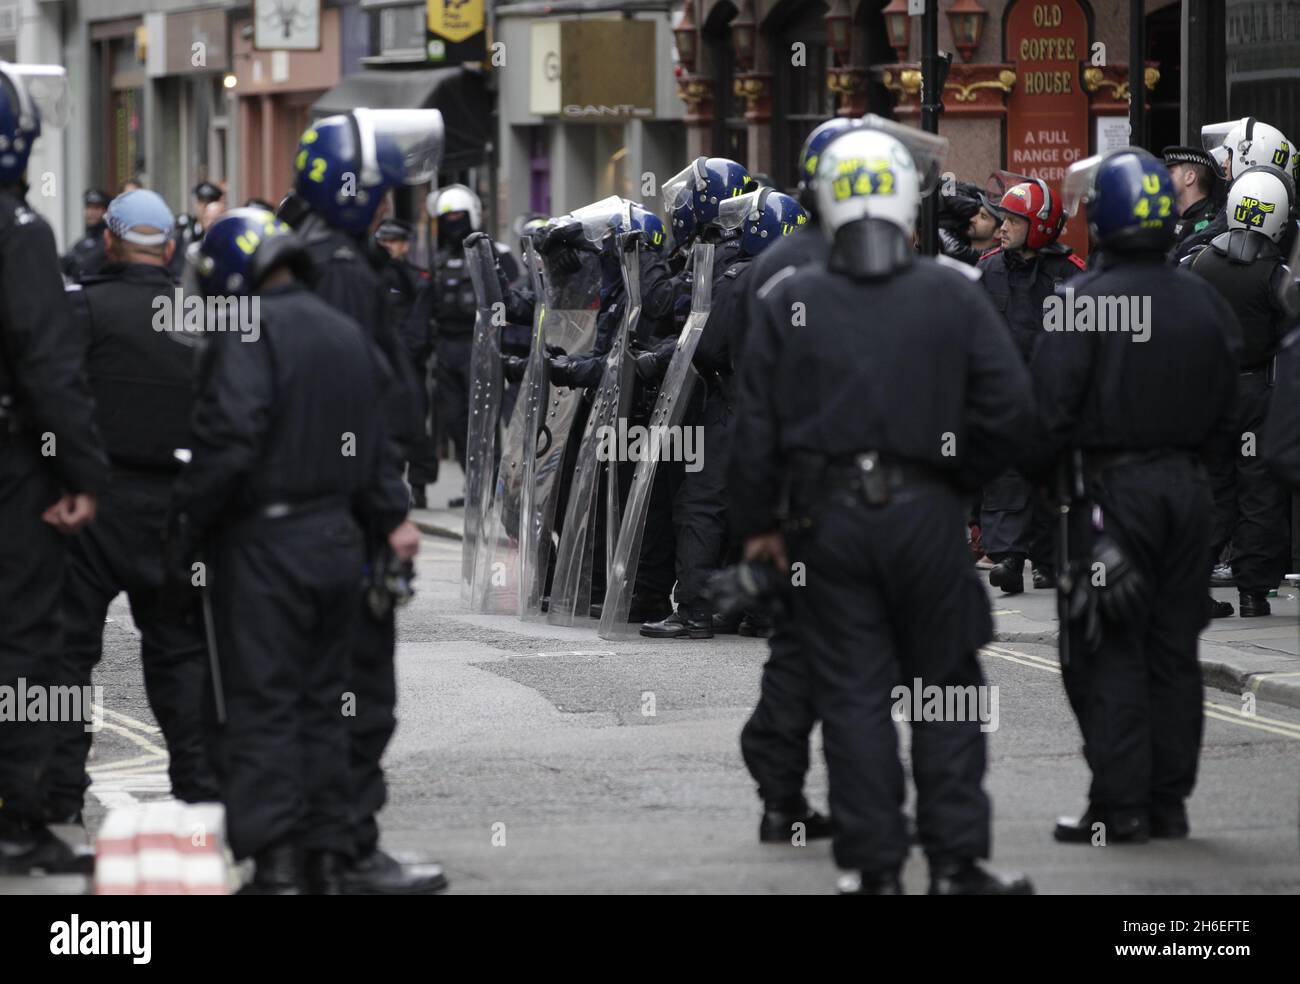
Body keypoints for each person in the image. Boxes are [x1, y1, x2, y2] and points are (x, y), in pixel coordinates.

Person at [731, 121, 1035, 895]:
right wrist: (951, 484)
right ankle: (958, 864)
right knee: (947, 688)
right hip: (928, 521)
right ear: (907, 202)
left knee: (853, 695)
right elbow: (1010, 415)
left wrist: (762, 527)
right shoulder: (953, 292)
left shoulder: (787, 296)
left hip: (828, 526)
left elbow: (754, 431)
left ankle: (876, 873)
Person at [169, 209, 409, 893]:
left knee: (264, 704)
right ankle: (328, 855)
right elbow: (378, 440)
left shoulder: (249, 328)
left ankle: (276, 862)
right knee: (326, 703)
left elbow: (232, 437)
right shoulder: (344, 332)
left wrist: (189, 524)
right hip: (337, 540)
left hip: (265, 545)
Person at [1034, 149, 1240, 844]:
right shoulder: (1203, 298)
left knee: (1105, 648)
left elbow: (1048, 422)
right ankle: (1167, 804)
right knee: (1172, 649)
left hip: (1109, 494)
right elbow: (1229, 412)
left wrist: (1059, 502)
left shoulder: (1078, 302)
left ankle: (1119, 806)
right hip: (1189, 493)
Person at [280, 109, 446, 893]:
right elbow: (363, 402)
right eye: (381, 192)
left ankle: (319, 848)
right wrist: (391, 511)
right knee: (358, 693)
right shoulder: (344, 271)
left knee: (320, 690)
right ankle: (347, 850)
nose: (390, 207)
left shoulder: (305, 252)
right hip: (347, 514)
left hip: (316, 509)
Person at [43, 190, 220, 824]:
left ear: (111, 242)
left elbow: (52, 396)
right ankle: (198, 793)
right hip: (177, 511)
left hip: (87, 506)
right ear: (169, 248)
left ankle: (59, 796)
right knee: (179, 652)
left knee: (65, 658)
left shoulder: (80, 308)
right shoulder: (203, 316)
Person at [0, 62, 108, 874]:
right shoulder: (18, 231)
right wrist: (81, 476)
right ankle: (17, 819)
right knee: (25, 643)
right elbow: (49, 367)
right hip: (12, 471)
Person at [641, 189, 808, 640]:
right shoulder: (811, 278)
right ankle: (761, 609)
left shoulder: (744, 276)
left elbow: (709, 344)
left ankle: (695, 609)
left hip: (738, 400)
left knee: (702, 502)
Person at [1187, 165, 1295, 617]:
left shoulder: (1195, 262)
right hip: (1257, 393)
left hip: (1209, 393)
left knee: (1213, 489)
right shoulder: (1278, 275)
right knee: (1259, 494)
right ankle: (1253, 592)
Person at [977, 176, 1086, 594]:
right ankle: (1008, 558)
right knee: (1003, 477)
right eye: (1001, 219)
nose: (1001, 227)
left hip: (1052, 399)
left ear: (1039, 227)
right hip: (1003, 399)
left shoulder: (1071, 275)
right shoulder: (986, 270)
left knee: (1051, 481)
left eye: (1012, 221)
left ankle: (1047, 560)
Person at [1163, 145, 1220, 252]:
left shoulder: (1211, 226)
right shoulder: (1171, 217)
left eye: (1170, 172)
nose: (1163, 178)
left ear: (1189, 177)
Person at [169, 179, 224, 277]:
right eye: (201, 203)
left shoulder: (222, 233)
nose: (203, 208)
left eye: (208, 204)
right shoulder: (184, 227)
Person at [60, 188, 110, 282]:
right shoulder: (82, 242)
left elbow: (85, 269)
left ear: (105, 212)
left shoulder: (110, 241)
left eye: (96, 208)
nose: (91, 213)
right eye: (88, 207)